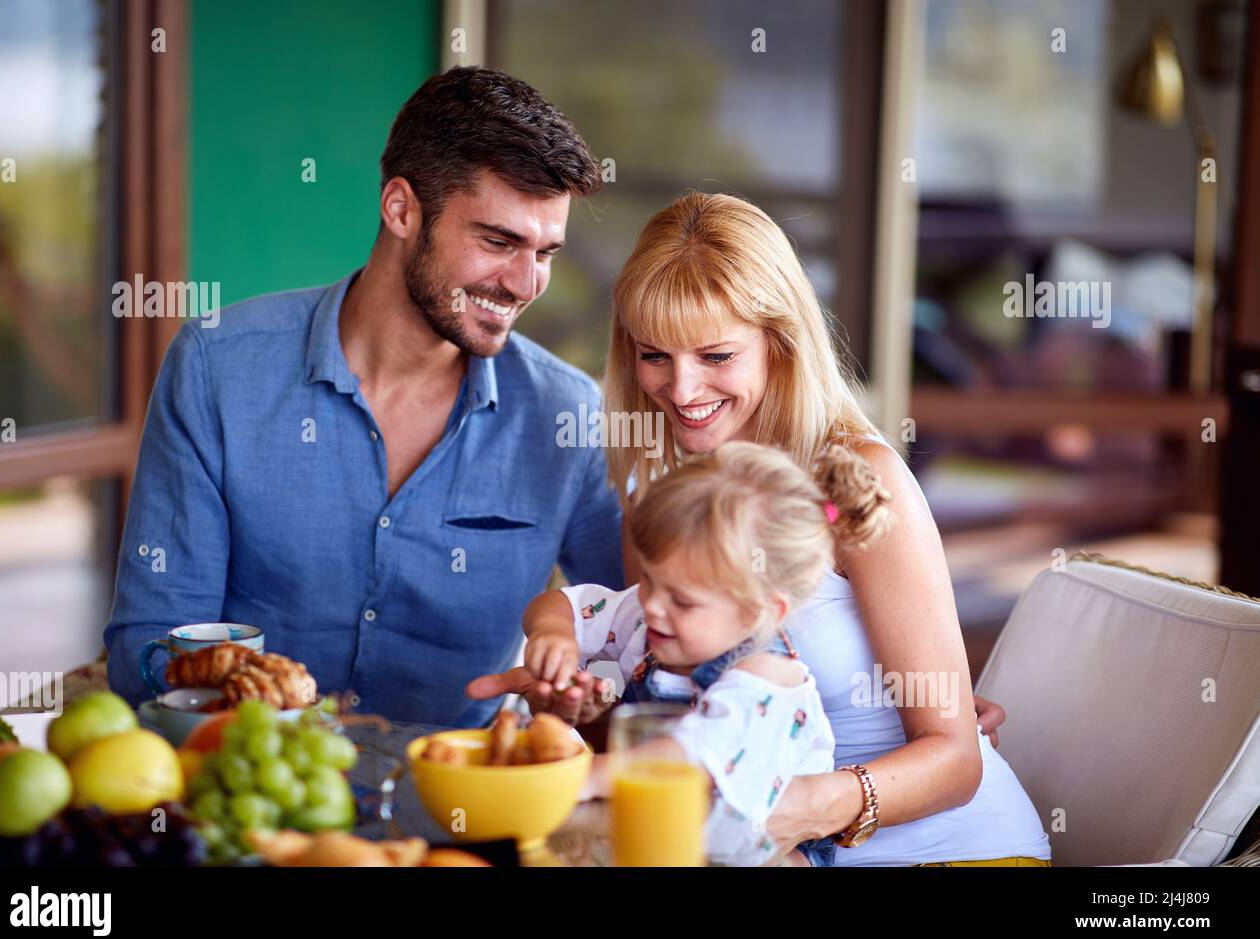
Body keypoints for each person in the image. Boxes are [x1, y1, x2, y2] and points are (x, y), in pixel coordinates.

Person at [472, 191, 1047, 865]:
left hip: (950, 851)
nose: (681, 390)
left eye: (716, 357)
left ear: (779, 343)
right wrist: (578, 708)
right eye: (655, 356)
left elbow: (956, 762)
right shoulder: (660, 495)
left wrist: (803, 808)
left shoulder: (862, 480)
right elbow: (674, 707)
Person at [103, 67, 626, 725]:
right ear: (402, 208)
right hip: (254, 799)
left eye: (547, 251)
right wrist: (242, 687)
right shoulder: (217, 369)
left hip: (464, 805)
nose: (525, 282)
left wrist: (586, 691)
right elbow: (148, 642)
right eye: (499, 241)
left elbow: (644, 633)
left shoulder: (568, 415)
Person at [525, 440, 893, 866]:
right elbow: (565, 604)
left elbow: (695, 754)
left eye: (682, 600)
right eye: (648, 579)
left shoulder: (769, 679)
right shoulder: (653, 614)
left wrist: (588, 777)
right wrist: (555, 635)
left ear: (759, 612)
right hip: (662, 836)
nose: (652, 604)